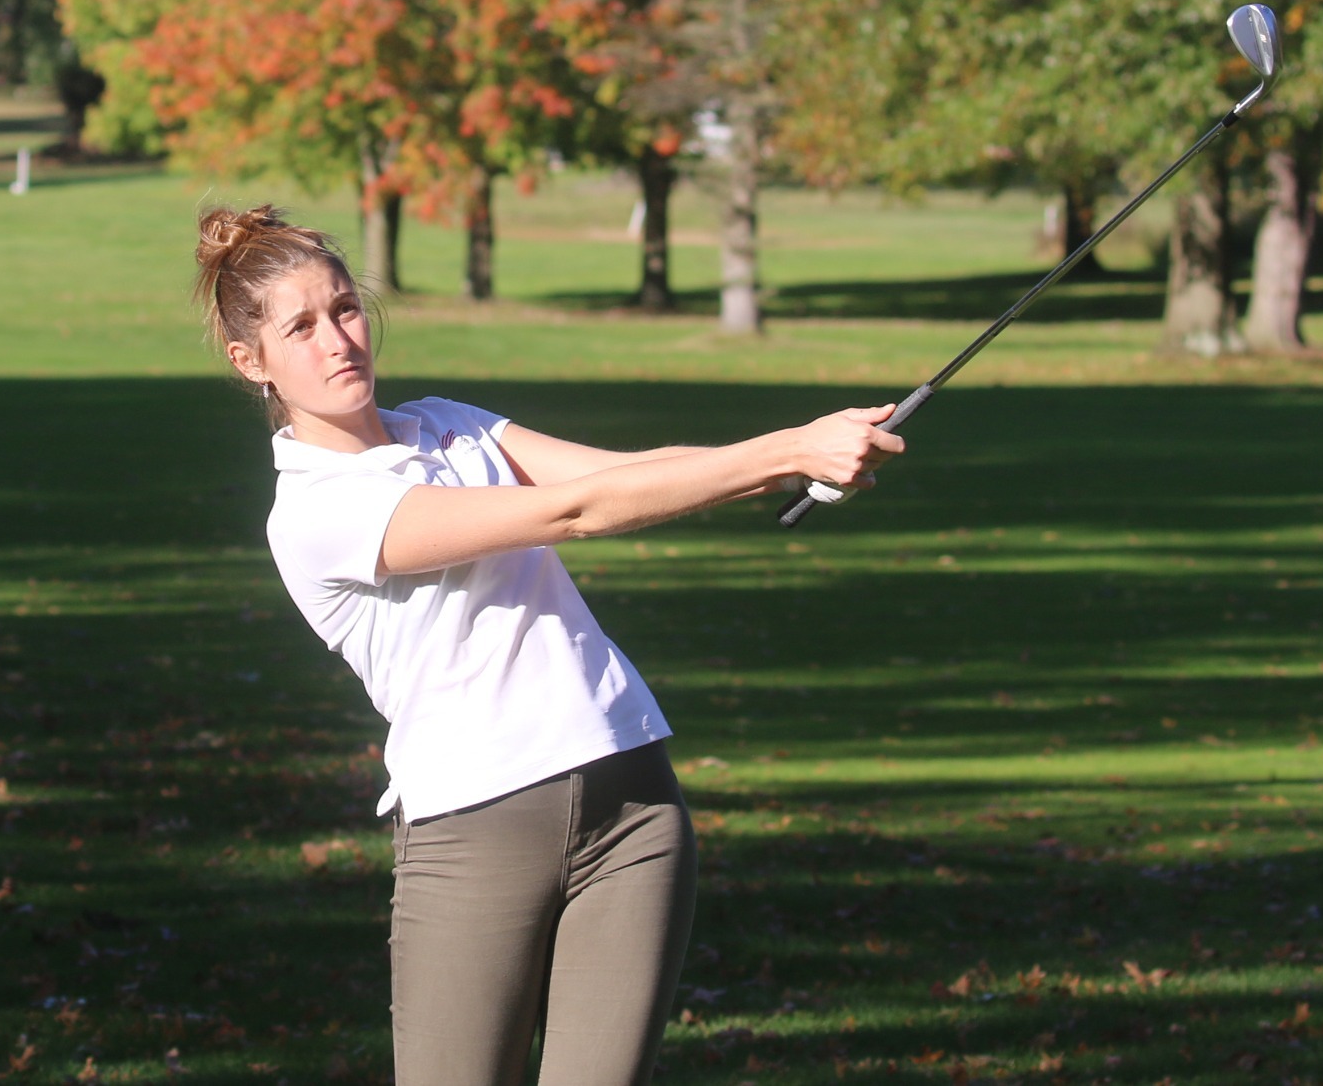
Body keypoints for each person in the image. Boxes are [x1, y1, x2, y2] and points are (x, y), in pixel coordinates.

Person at [195, 204, 902, 1086]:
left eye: (344, 308)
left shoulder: (447, 425)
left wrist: (797, 460)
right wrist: (784, 449)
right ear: (249, 360)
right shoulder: (314, 512)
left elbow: (620, 474)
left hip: (632, 801)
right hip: (474, 833)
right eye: (301, 327)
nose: (338, 339)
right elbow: (570, 513)